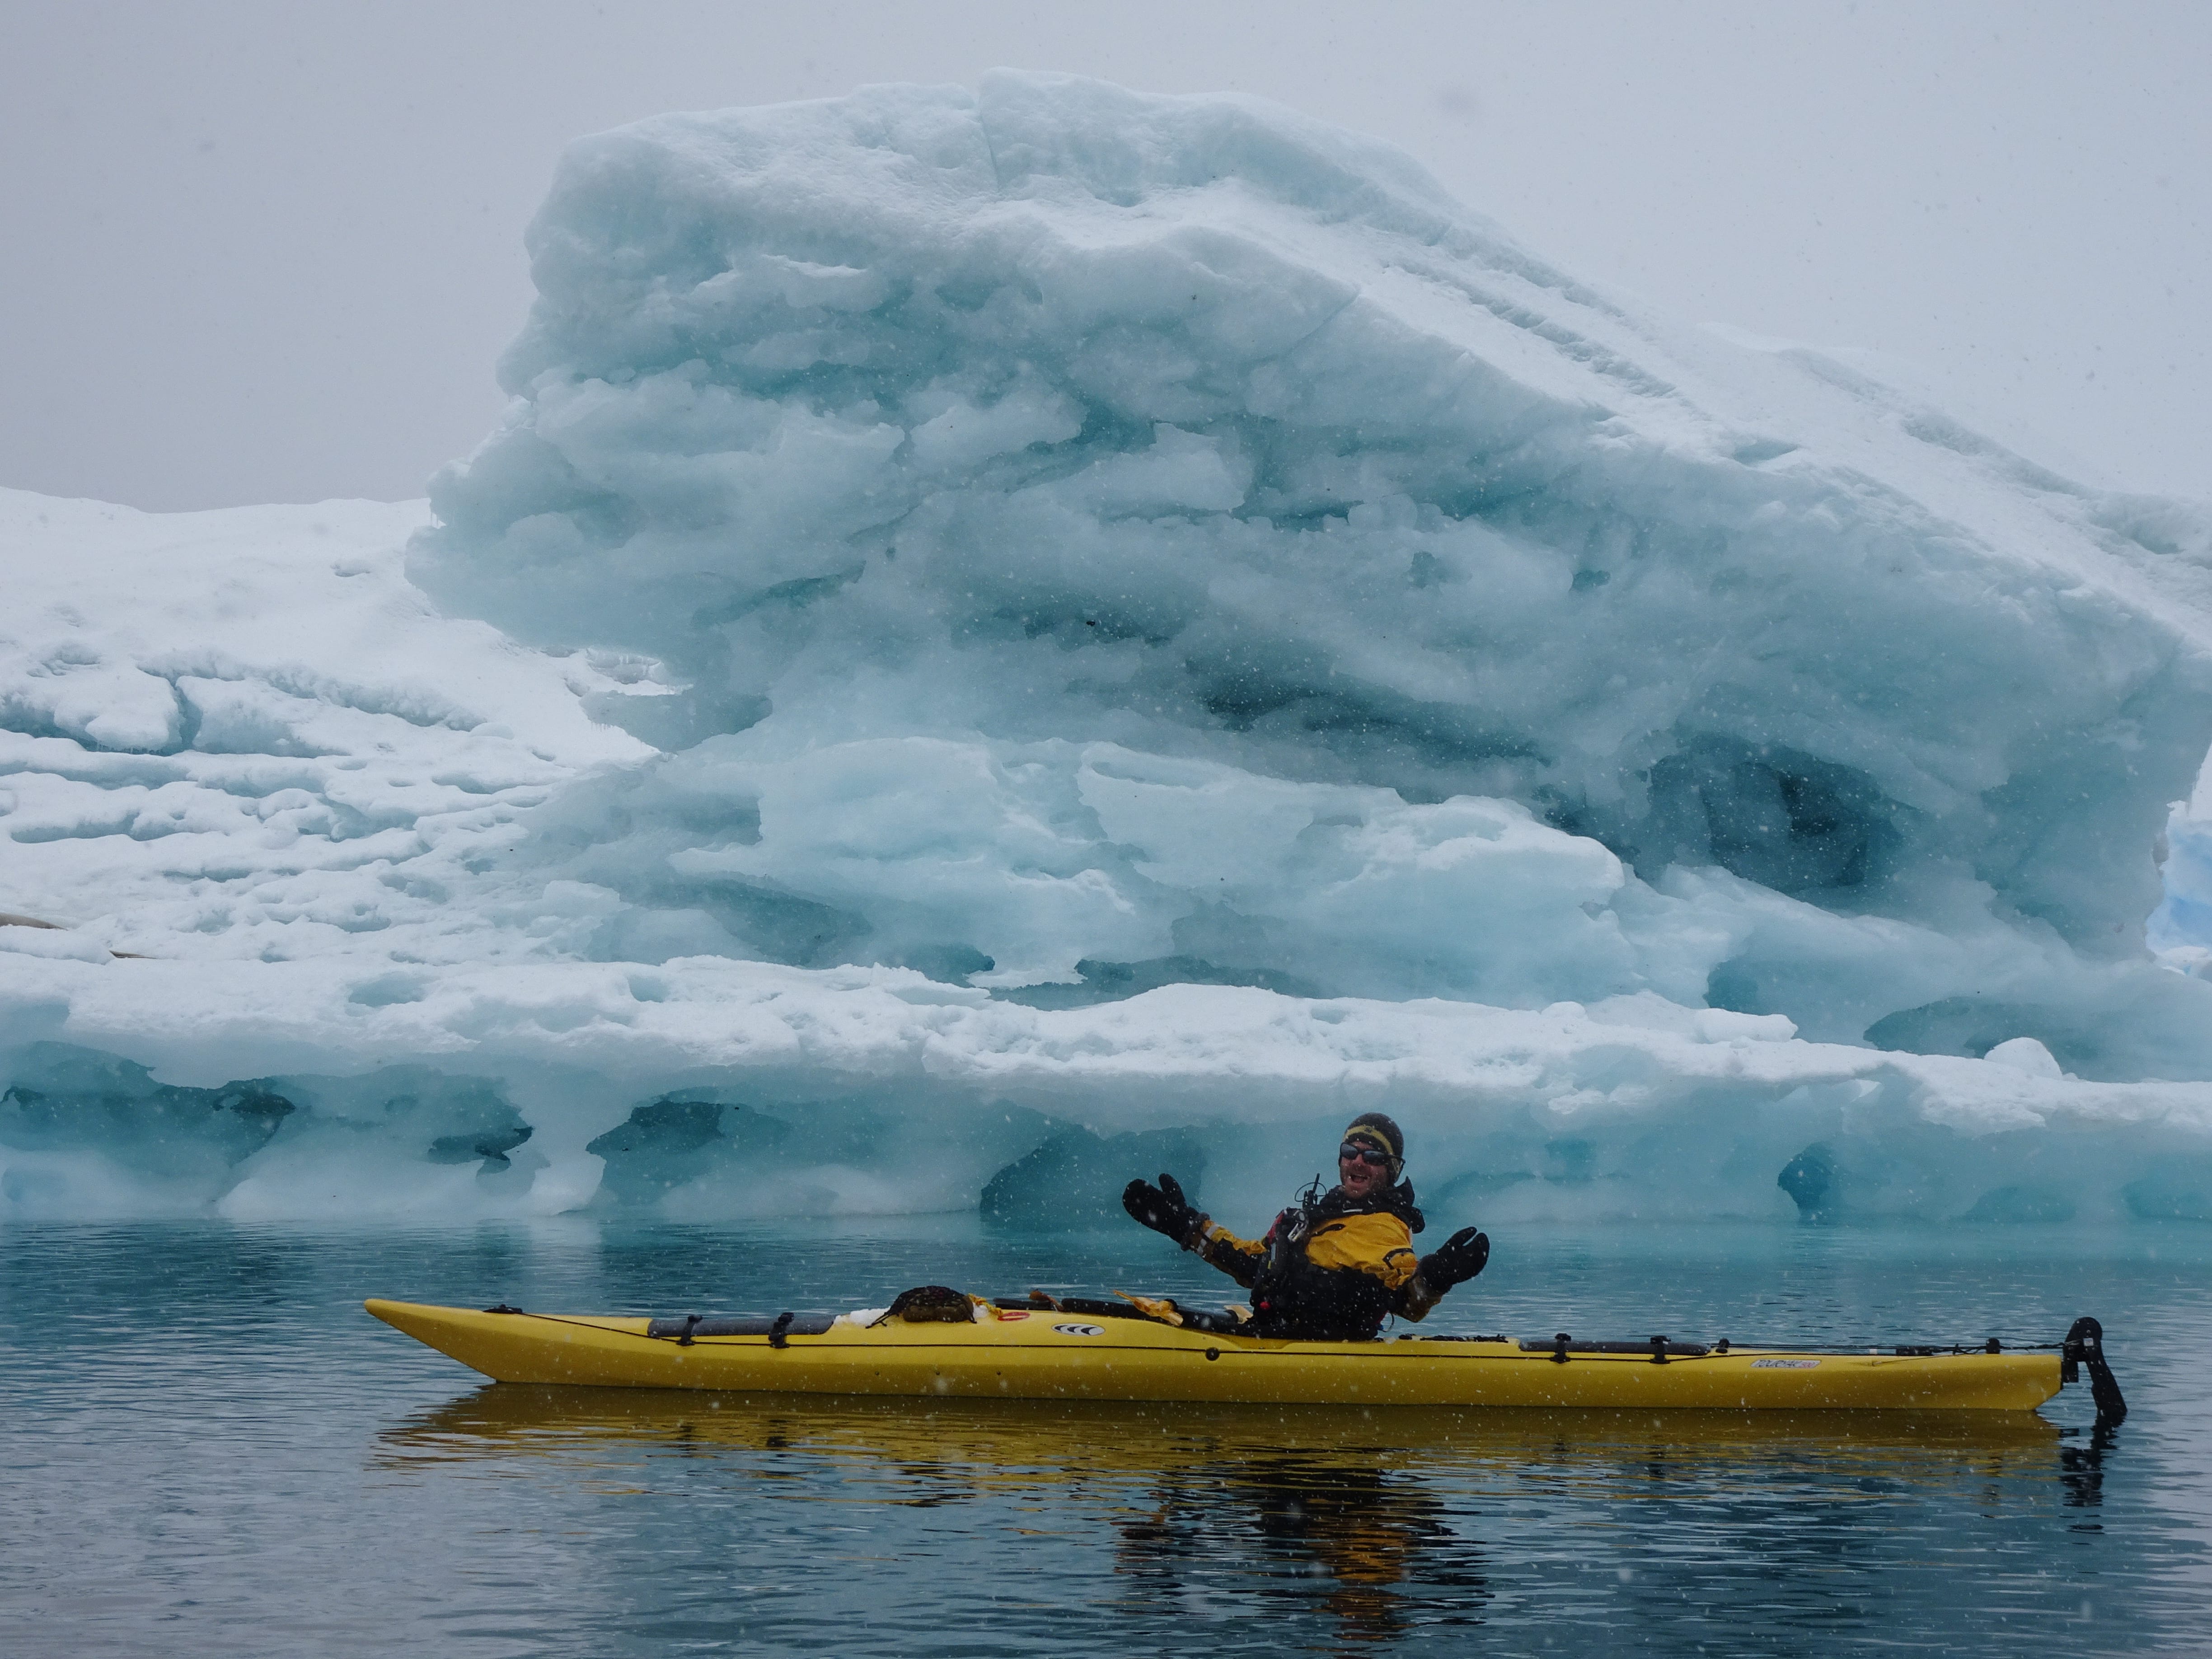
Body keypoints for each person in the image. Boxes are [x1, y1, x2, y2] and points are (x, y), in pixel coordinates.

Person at [1121, 1111, 1488, 1341]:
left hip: (1324, 1348)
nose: (1358, 1162)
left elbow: (1407, 1302)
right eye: (1350, 1152)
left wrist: (1435, 1277)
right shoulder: (1311, 1220)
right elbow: (1254, 1265)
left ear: (1391, 1169)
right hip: (1271, 1333)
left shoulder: (1385, 1228)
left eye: (1373, 1156)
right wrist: (1186, 1226)